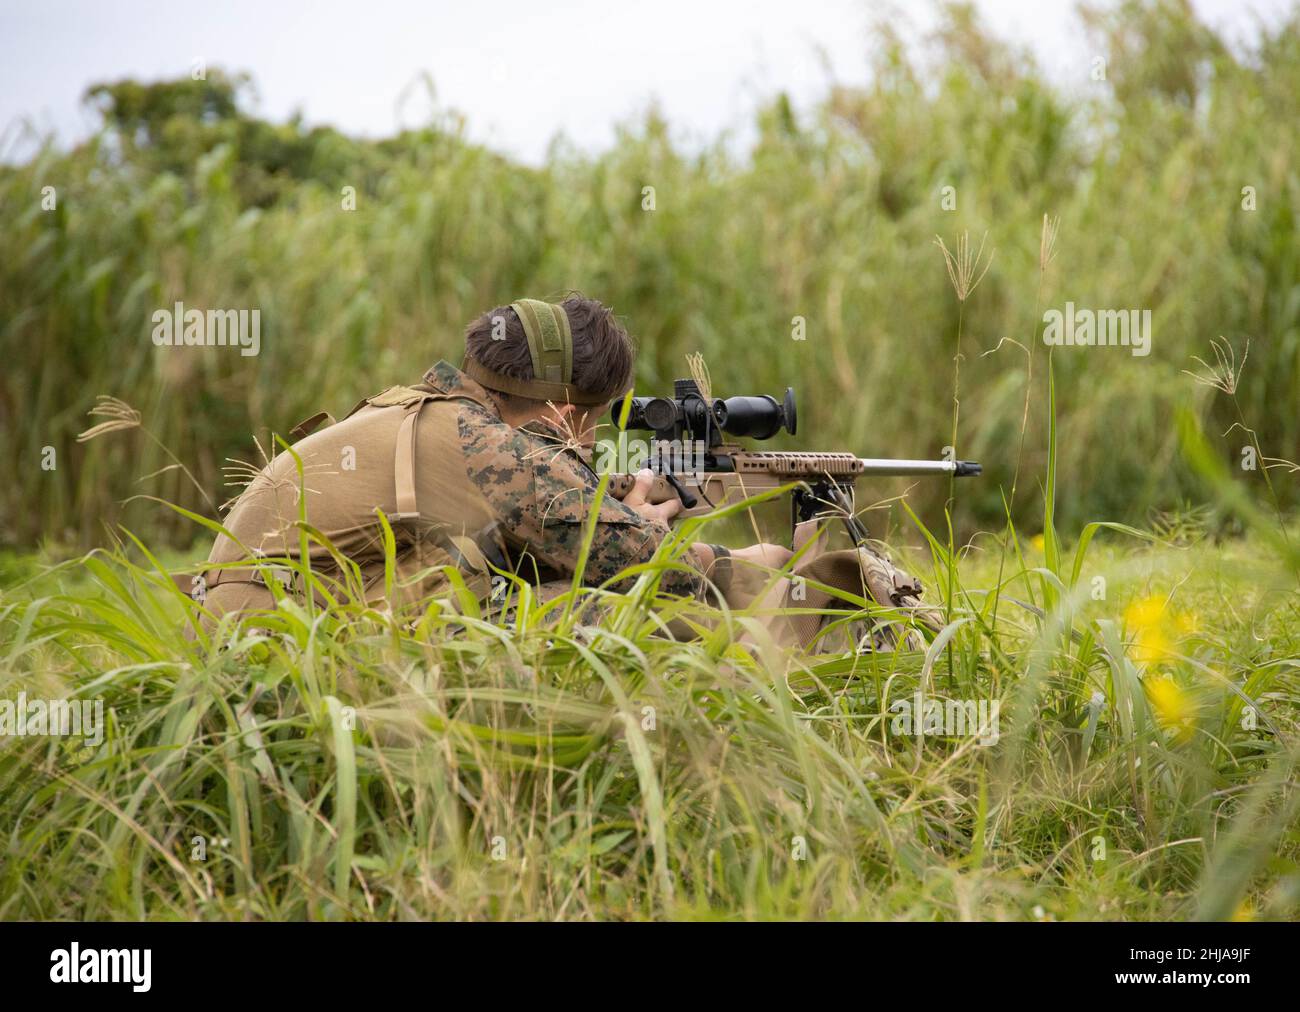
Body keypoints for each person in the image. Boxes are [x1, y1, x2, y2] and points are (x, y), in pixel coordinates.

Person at [195, 294, 790, 622]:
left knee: (525, 582)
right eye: (590, 423)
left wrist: (612, 494)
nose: (585, 445)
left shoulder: (426, 412)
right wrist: (738, 557)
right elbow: (656, 571)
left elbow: (511, 520)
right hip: (280, 649)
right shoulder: (491, 448)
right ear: (560, 410)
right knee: (614, 610)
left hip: (253, 632)